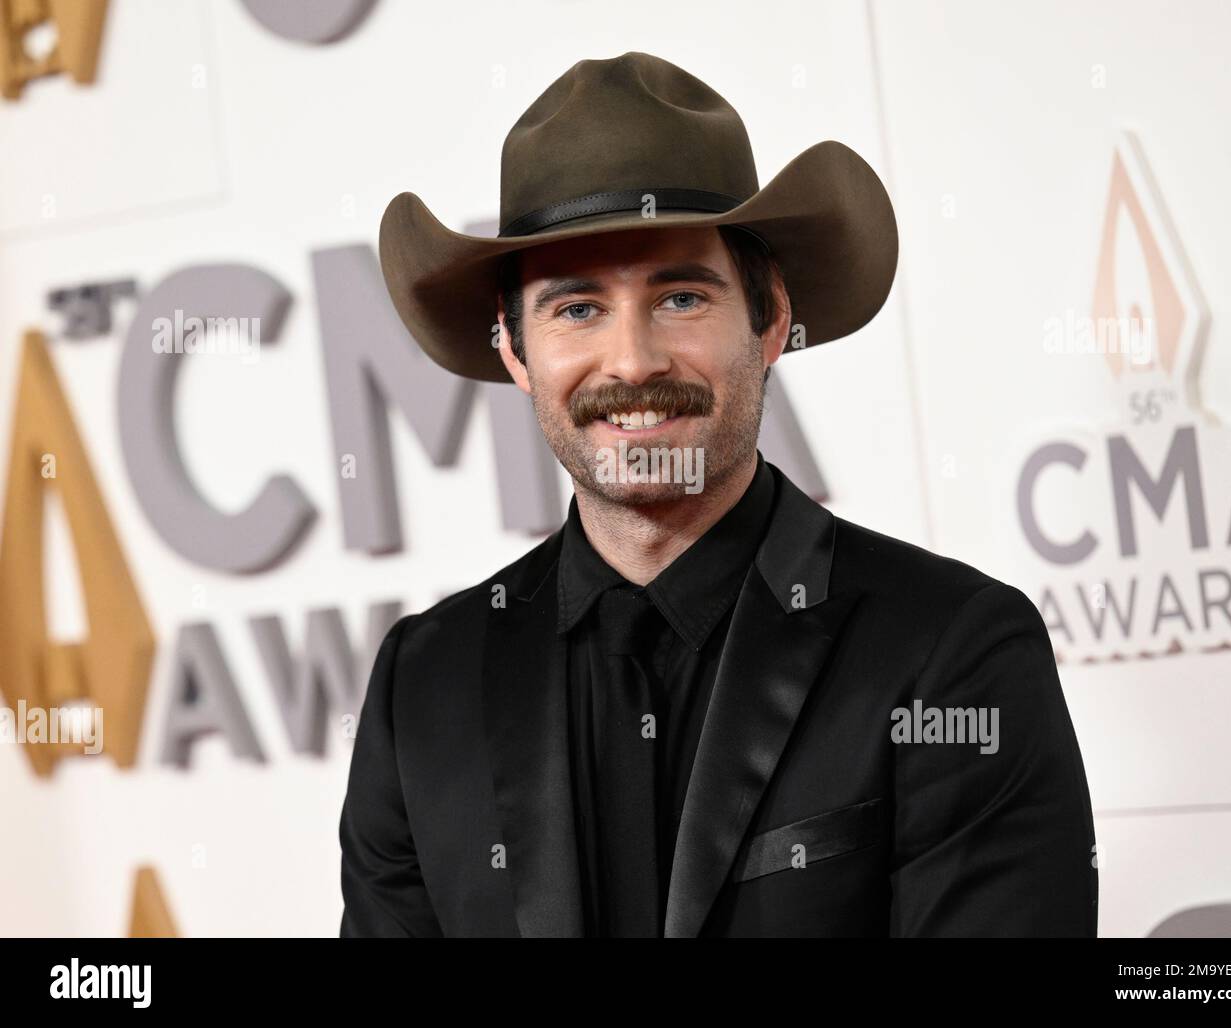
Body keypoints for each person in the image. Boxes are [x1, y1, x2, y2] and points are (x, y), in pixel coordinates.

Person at [339, 51, 1097, 937]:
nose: (632, 362)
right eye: (577, 309)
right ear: (513, 350)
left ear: (770, 320)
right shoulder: (422, 689)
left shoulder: (952, 653)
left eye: (681, 298)